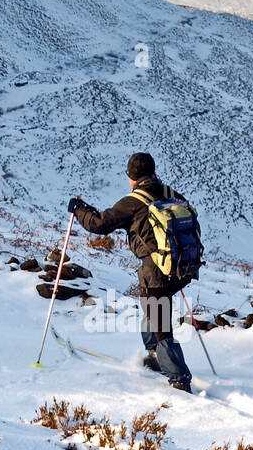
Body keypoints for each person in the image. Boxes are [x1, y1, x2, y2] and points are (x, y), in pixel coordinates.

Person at [67, 152, 193, 393]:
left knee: (159, 321)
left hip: (155, 269)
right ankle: (155, 355)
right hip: (180, 268)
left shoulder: (133, 202)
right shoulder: (171, 194)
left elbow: (100, 224)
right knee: (152, 306)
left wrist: (78, 210)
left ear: (131, 177)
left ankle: (179, 379)